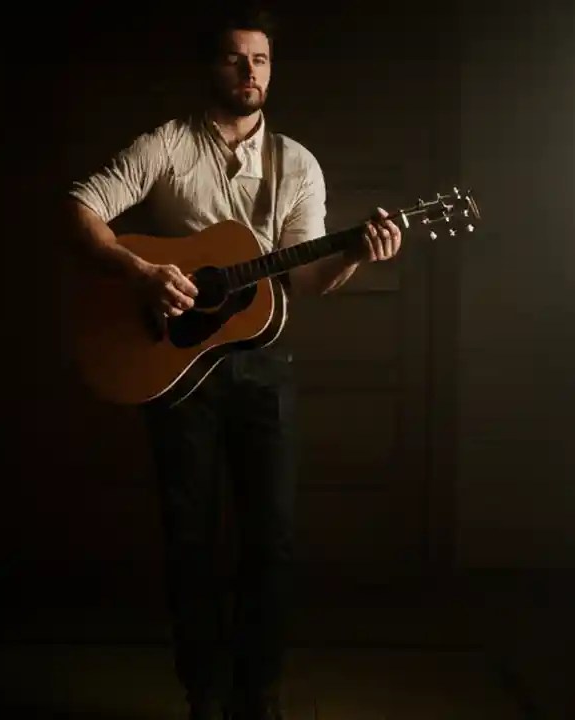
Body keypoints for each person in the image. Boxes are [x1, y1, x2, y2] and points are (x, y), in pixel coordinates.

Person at [67, 4, 402, 718]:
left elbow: (305, 280)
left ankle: (259, 693)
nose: (249, 71)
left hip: (262, 370)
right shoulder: (165, 146)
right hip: (175, 368)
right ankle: (203, 695)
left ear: (271, 71)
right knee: (189, 540)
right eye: (234, 58)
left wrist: (351, 254)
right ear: (210, 67)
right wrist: (138, 271)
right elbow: (83, 206)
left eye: (261, 60)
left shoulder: (297, 164)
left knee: (271, 542)